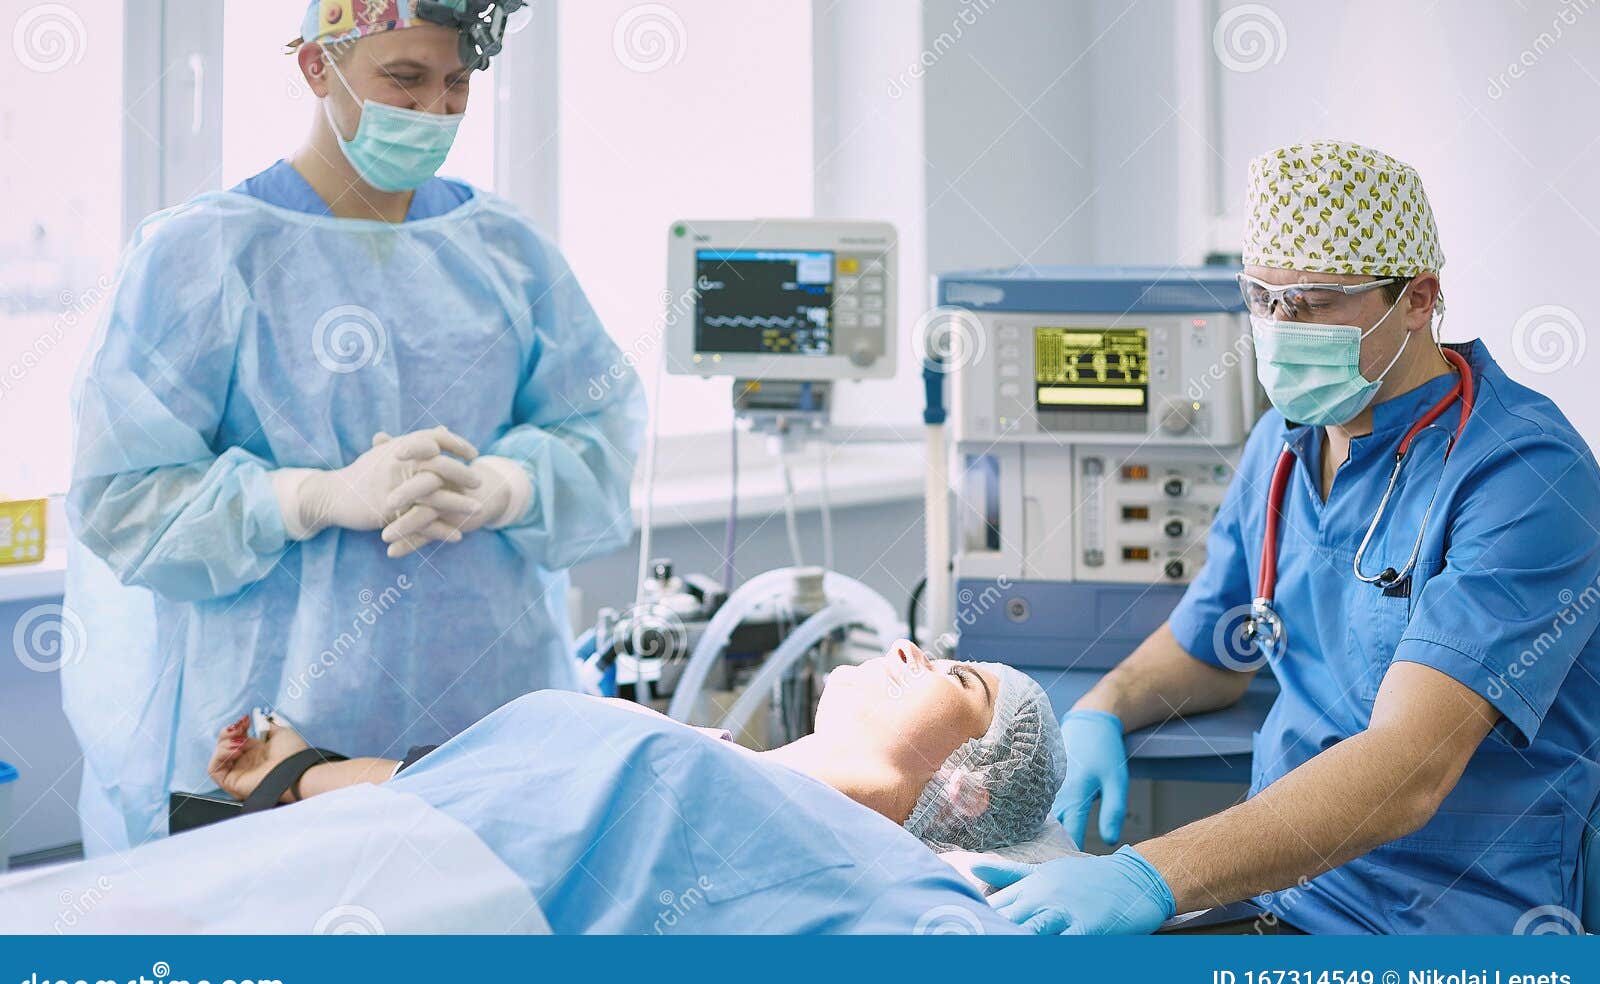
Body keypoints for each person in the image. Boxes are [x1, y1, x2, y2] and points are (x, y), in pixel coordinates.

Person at [63, 1, 643, 855]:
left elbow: (599, 433)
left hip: (489, 705)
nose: (433, 111)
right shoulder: (205, 254)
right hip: (268, 734)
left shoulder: (507, 251)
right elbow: (121, 498)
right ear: (316, 68)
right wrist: (308, 498)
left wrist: (506, 486)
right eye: (403, 79)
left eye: (455, 84)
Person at [979, 140, 1600, 934]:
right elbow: (1213, 649)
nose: (1279, 326)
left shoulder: (1522, 475)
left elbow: (1408, 770)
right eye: (1261, 297)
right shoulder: (1284, 442)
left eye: (1310, 301)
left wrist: (1149, 872)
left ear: (1418, 297)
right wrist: (1103, 708)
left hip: (1439, 923)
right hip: (1280, 894)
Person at [4, 643, 1068, 935]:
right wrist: (291, 768)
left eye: (958, 677)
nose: (908, 646)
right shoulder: (684, 746)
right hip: (322, 866)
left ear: (968, 789)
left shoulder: (880, 883)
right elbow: (471, 793)